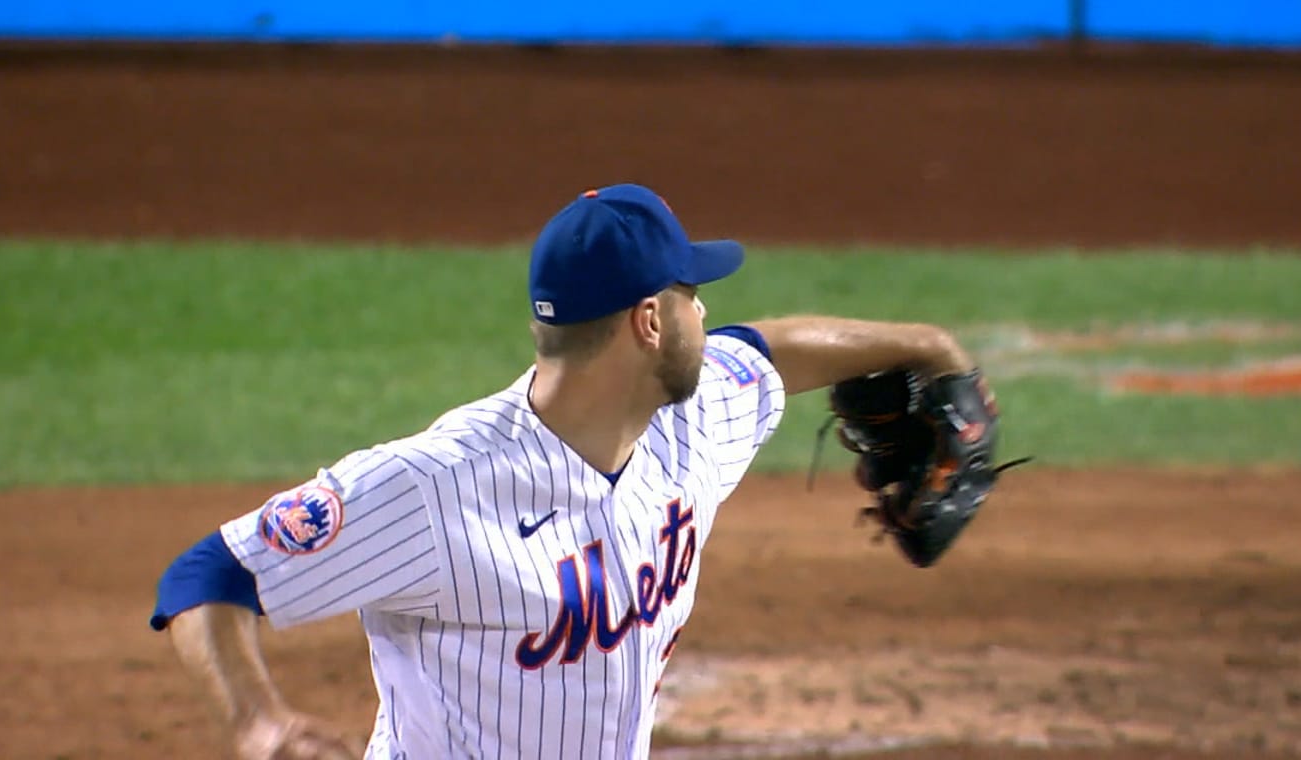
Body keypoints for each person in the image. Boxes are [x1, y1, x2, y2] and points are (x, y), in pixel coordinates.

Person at [149, 183, 980, 759]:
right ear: (648, 321)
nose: (708, 313)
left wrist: (927, 346)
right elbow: (209, 571)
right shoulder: (436, 489)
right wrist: (257, 722)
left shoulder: (689, 420)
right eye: (694, 294)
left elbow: (766, 349)